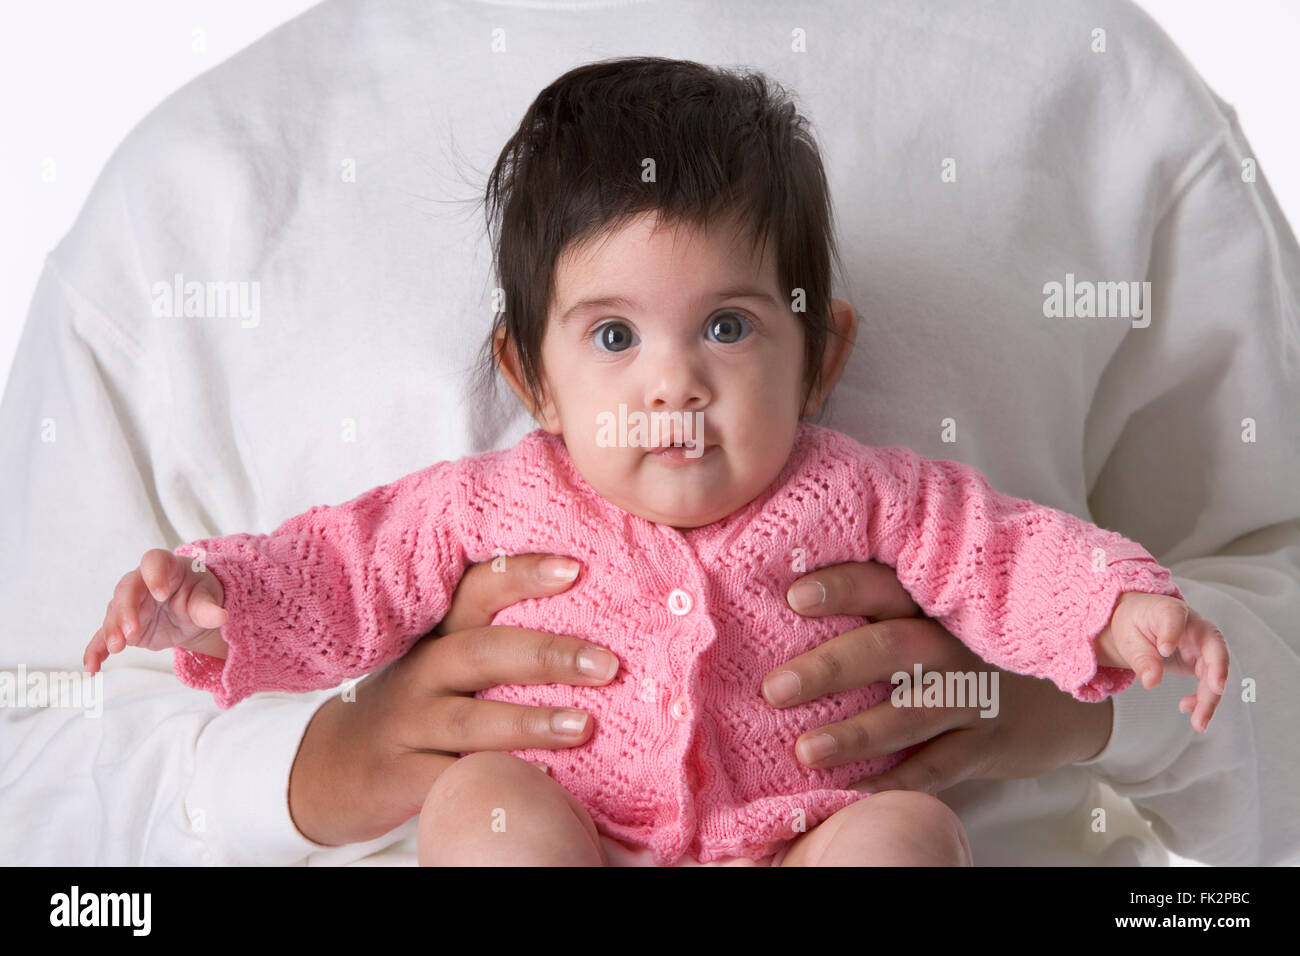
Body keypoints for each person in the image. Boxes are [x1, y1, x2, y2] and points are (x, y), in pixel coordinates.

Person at [2, 0, 1296, 867]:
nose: (672, 386)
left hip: (809, 824)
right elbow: (339, 571)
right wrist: (228, 620)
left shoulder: (873, 492)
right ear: (532, 377)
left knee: (904, 838)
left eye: (727, 330)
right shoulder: (483, 500)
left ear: (821, 352)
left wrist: (1116, 643)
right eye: (614, 339)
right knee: (482, 813)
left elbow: (1016, 556)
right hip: (572, 816)